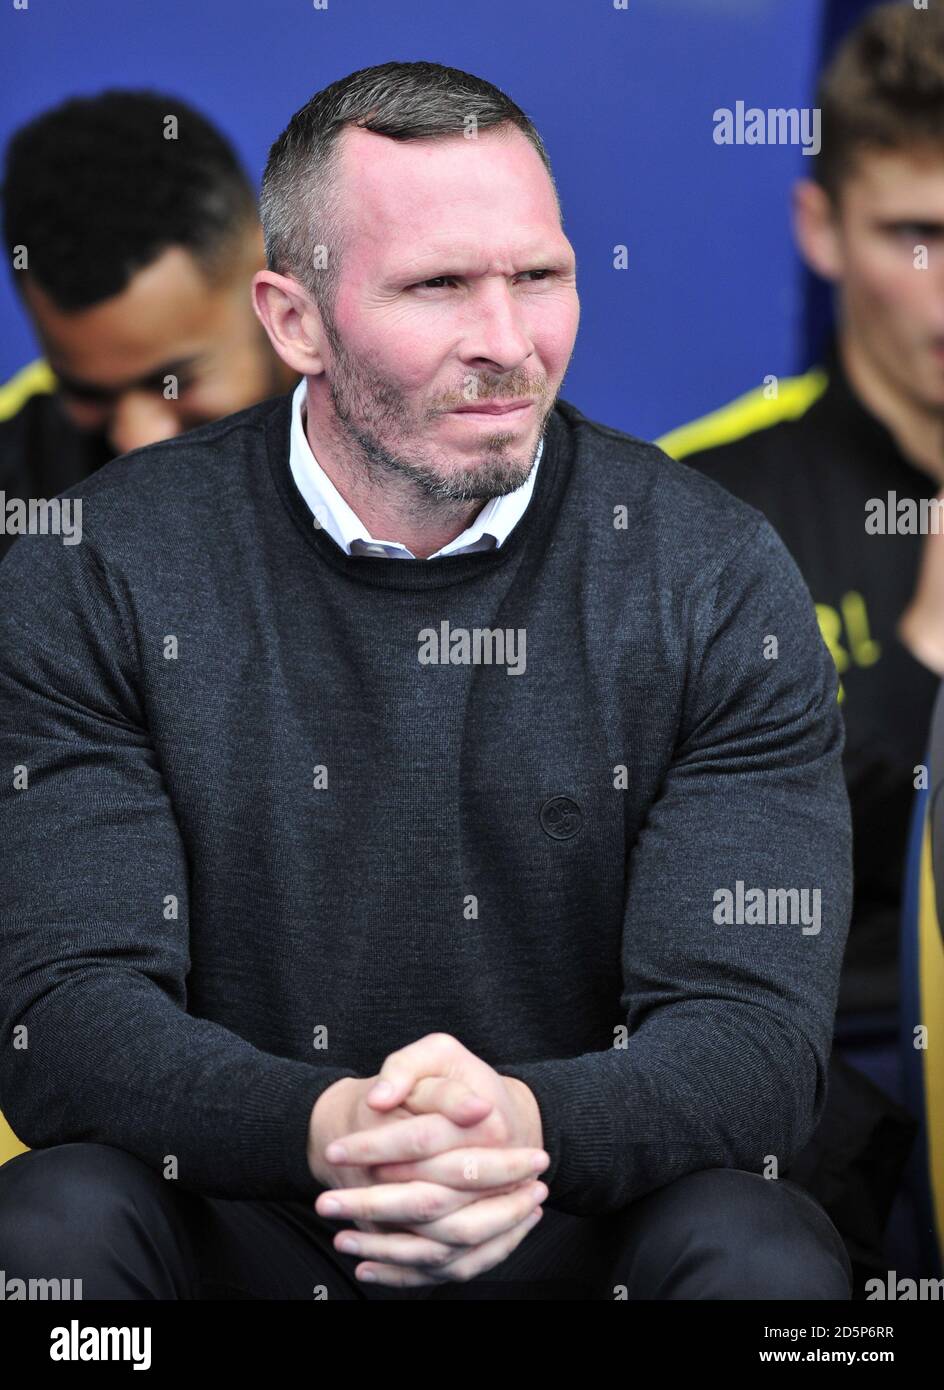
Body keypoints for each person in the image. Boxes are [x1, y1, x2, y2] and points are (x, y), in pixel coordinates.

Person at [0, 60, 853, 1300]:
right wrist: (329, 1127)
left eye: (539, 277)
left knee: (760, 1256)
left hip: (572, 1216)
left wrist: (519, 1125)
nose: (505, 343)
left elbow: (754, 1039)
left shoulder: (711, 574)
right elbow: (67, 1013)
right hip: (240, 1215)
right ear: (293, 320)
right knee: (49, 1230)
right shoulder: (94, 567)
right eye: (439, 285)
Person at [657, 0, 939, 1286]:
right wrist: (925, 654)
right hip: (834, 1072)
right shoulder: (700, 512)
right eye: (917, 236)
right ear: (820, 229)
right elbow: (686, 886)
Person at [0, 88, 298, 562]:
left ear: (278, 288)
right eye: (86, 392)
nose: (137, 440)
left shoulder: (419, 438)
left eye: (172, 381)